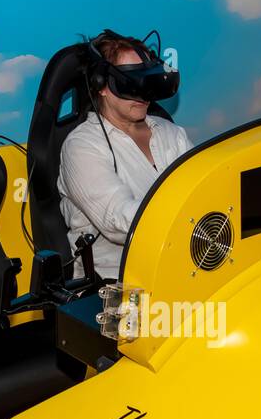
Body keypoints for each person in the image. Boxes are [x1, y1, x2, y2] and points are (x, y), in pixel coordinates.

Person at [58, 31, 191, 280]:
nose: (142, 94)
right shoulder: (82, 146)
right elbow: (118, 220)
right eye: (130, 83)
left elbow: (201, 189)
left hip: (180, 268)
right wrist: (190, 222)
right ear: (101, 86)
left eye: (146, 81)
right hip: (114, 286)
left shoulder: (172, 135)